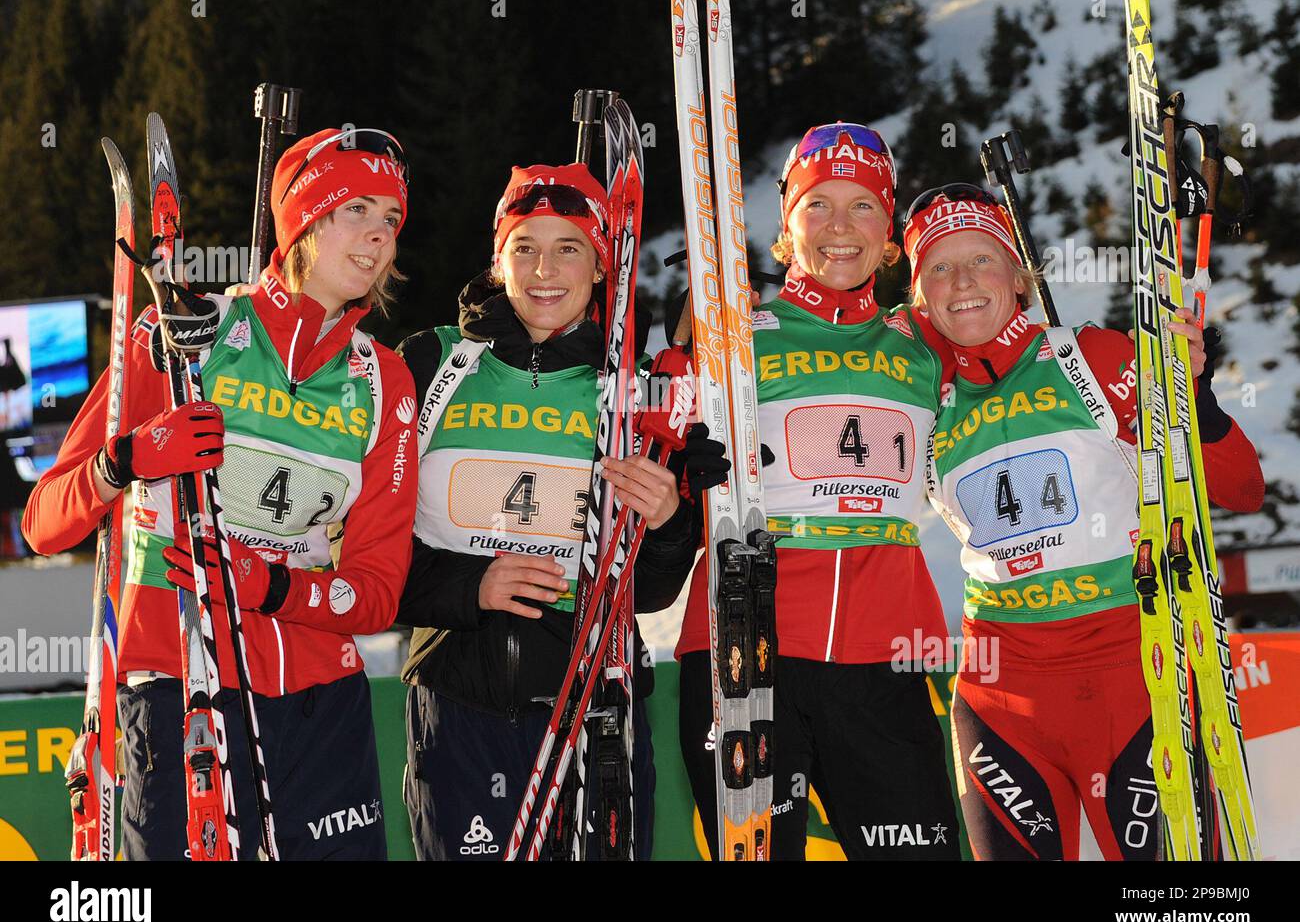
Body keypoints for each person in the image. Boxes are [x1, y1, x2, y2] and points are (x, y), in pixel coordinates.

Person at [23, 127, 418, 860]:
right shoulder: (182, 336)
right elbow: (46, 524)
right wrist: (129, 458)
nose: (378, 236)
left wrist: (265, 585)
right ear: (304, 220)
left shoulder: (381, 381)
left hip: (319, 706)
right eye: (356, 210)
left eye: (390, 219)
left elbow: (375, 595)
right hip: (179, 684)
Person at [904, 183, 1265, 860]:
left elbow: (1242, 489)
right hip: (999, 701)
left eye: (981, 259)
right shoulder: (919, 392)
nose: (962, 282)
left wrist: (1197, 400)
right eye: (938, 268)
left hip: (1137, 678)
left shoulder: (1095, 359)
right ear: (920, 294)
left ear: (1019, 273)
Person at [396, 162, 716, 861]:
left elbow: (650, 592)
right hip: (458, 706)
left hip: (598, 705)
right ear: (498, 259)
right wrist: (472, 586)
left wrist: (668, 522)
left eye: (569, 247)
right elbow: (367, 555)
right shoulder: (429, 366)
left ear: (603, 266)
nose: (546, 269)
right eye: (524, 247)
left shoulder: (630, 390)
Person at [676, 123, 961, 860]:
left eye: (863, 207)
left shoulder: (930, 349)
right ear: (786, 230)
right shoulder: (734, 337)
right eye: (818, 206)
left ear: (892, 236)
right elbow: (649, 468)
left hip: (887, 659)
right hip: (745, 649)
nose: (841, 227)